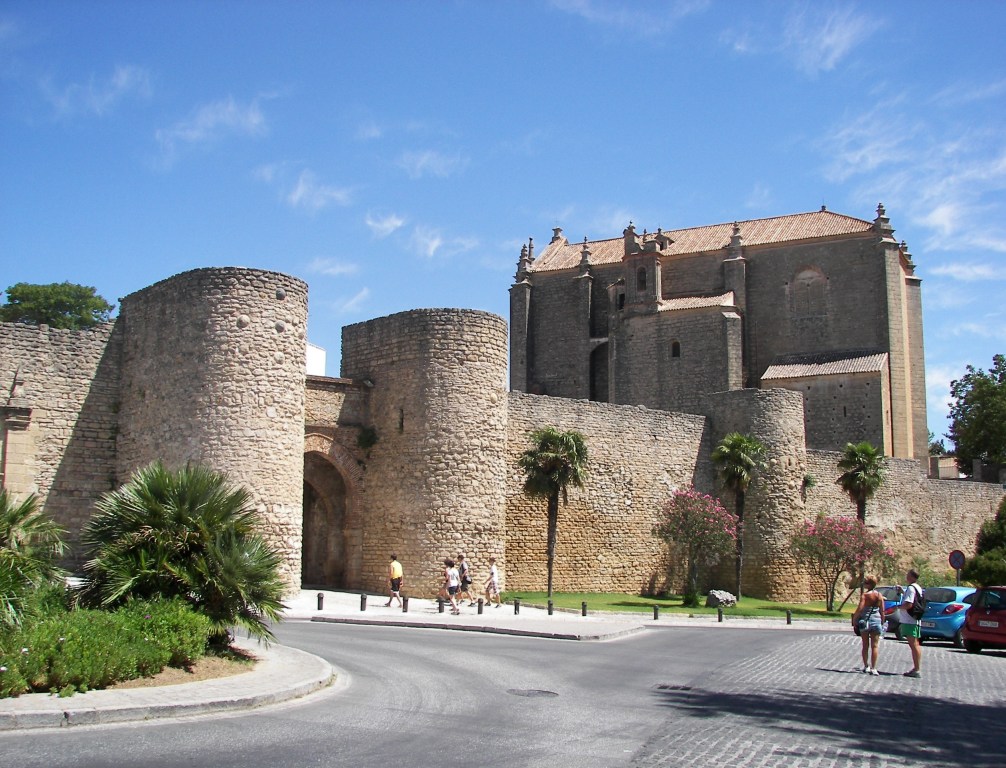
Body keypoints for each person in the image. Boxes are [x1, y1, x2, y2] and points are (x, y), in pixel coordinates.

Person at [852, 574, 885, 675]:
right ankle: (874, 667)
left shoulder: (865, 596)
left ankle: (866, 666)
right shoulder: (879, 595)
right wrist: (882, 622)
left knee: (865, 645)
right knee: (875, 646)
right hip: (876, 621)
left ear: (868, 584)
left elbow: (860, 608)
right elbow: (882, 611)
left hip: (865, 621)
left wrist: (855, 618)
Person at [896, 569, 923, 678]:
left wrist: (897, 607)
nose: (906, 577)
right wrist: (903, 592)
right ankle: (916, 668)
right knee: (915, 643)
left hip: (909, 620)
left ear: (912, 576)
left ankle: (917, 669)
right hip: (914, 619)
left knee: (914, 644)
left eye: (908, 575)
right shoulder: (917, 587)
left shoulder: (911, 589)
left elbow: (909, 605)